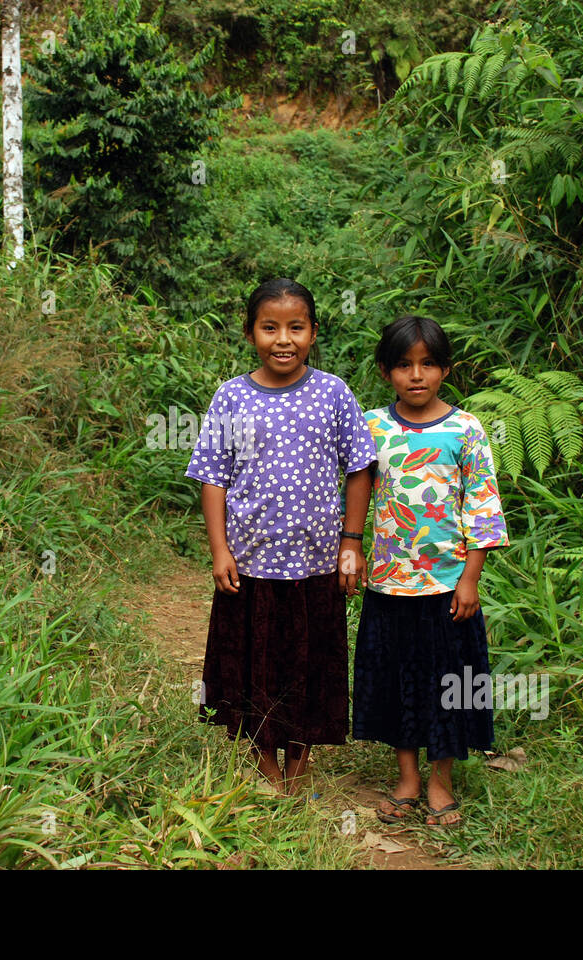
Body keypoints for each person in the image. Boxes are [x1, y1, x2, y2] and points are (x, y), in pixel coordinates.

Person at [185, 278, 377, 796]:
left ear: (314, 332)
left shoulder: (333, 393)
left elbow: (360, 468)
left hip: (316, 564)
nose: (283, 339)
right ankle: (263, 755)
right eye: (270, 327)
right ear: (251, 333)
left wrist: (351, 542)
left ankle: (300, 756)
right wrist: (220, 549)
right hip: (251, 563)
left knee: (309, 661)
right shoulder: (231, 396)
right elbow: (213, 476)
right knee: (256, 661)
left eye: (296, 327)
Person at [352, 315, 510, 827]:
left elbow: (482, 506)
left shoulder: (465, 429)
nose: (416, 375)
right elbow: (356, 491)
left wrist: (470, 579)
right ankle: (407, 779)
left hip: (446, 587)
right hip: (388, 584)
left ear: (446, 369)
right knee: (399, 682)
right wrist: (349, 548)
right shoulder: (372, 426)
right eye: (403, 365)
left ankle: (440, 782)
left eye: (428, 364)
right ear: (385, 371)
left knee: (449, 685)